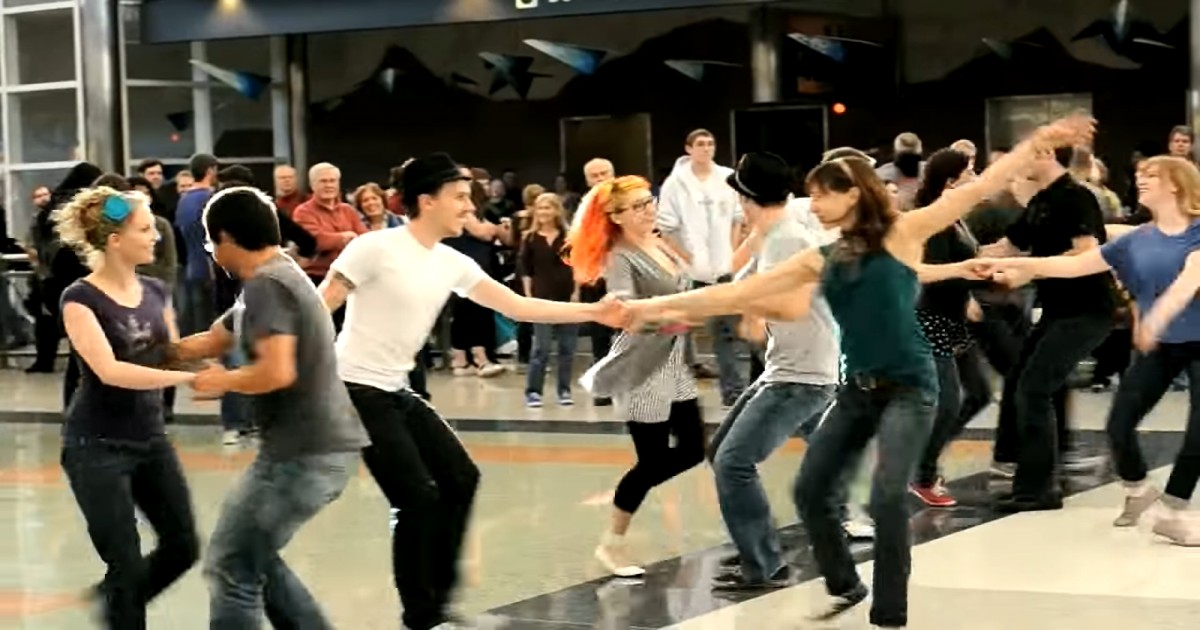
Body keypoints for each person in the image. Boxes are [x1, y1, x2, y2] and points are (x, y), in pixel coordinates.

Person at [621, 116, 1091, 627]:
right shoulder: (823, 256)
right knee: (810, 492)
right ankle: (845, 584)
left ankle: (889, 614)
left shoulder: (903, 233)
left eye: (821, 195)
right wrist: (651, 309)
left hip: (911, 389)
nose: (813, 205)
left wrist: (1037, 145)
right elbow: (735, 293)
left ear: (851, 195)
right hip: (856, 391)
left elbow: (975, 189)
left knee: (887, 497)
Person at [317, 153, 627, 630]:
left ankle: (440, 603)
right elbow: (319, 308)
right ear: (427, 200)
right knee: (417, 499)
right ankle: (422, 617)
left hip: (396, 390)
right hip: (353, 387)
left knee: (461, 479)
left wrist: (594, 313)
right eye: (460, 197)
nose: (469, 207)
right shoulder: (373, 248)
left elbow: (518, 306)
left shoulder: (450, 261)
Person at [173, 186, 369, 626]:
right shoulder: (274, 277)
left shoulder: (267, 286)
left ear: (225, 236)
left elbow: (276, 371)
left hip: (305, 454)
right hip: (313, 450)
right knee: (256, 557)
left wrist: (221, 380)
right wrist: (151, 352)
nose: (211, 252)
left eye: (210, 242)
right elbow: (212, 339)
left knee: (231, 564)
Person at [981, 155, 1200, 545]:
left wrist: (1154, 320)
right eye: (1139, 174)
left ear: (1177, 186)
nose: (1141, 180)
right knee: (1119, 424)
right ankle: (1137, 491)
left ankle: (1173, 510)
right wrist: (1021, 265)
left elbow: (1188, 281)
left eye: (1152, 176)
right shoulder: (1138, 239)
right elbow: (1077, 264)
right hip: (1163, 345)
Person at [55, 186, 200, 628]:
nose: (156, 236)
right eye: (145, 229)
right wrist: (190, 378)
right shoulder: (79, 299)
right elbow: (110, 370)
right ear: (116, 241)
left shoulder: (156, 289)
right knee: (126, 562)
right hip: (95, 446)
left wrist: (229, 349)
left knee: (182, 546)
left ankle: (116, 597)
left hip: (150, 440)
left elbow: (171, 352)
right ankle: (122, 600)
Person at [704, 153, 842, 591]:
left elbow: (789, 303)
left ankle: (764, 564)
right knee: (723, 452)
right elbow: (738, 282)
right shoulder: (778, 227)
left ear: (746, 199)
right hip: (789, 368)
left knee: (732, 463)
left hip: (803, 375)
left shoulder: (786, 238)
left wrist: (748, 310)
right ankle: (760, 550)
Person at [569, 175, 706, 578]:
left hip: (674, 361)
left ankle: (624, 501)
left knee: (693, 450)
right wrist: (672, 320)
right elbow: (625, 312)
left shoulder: (659, 240)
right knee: (650, 462)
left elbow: (687, 282)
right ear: (615, 216)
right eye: (638, 206)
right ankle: (611, 543)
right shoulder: (620, 256)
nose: (649, 209)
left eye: (650, 201)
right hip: (642, 365)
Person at [980, 144, 1117, 510]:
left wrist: (1032, 267)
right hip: (1058, 310)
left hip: (1088, 311)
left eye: (1027, 154)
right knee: (1021, 381)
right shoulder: (1040, 202)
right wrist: (962, 261)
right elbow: (1006, 247)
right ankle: (1024, 471)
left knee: (1034, 388)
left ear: (1044, 154)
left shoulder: (1076, 198)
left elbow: (1085, 252)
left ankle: (1038, 489)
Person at [908, 149, 993, 508]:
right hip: (932, 318)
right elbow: (934, 273)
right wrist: (966, 296)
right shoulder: (933, 220)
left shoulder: (957, 218)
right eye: (970, 171)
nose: (975, 176)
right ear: (950, 181)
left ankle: (924, 457)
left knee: (979, 393)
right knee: (947, 401)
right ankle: (922, 474)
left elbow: (962, 261)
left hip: (953, 319)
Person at [519, 192, 578, 407]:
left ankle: (564, 390)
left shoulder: (569, 236)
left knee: (567, 349)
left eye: (548, 207)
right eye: (540, 208)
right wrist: (528, 295)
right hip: (541, 297)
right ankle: (533, 392)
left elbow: (577, 265)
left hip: (566, 297)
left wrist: (576, 292)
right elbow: (526, 269)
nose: (544, 212)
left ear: (556, 210)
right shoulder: (530, 238)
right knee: (540, 349)